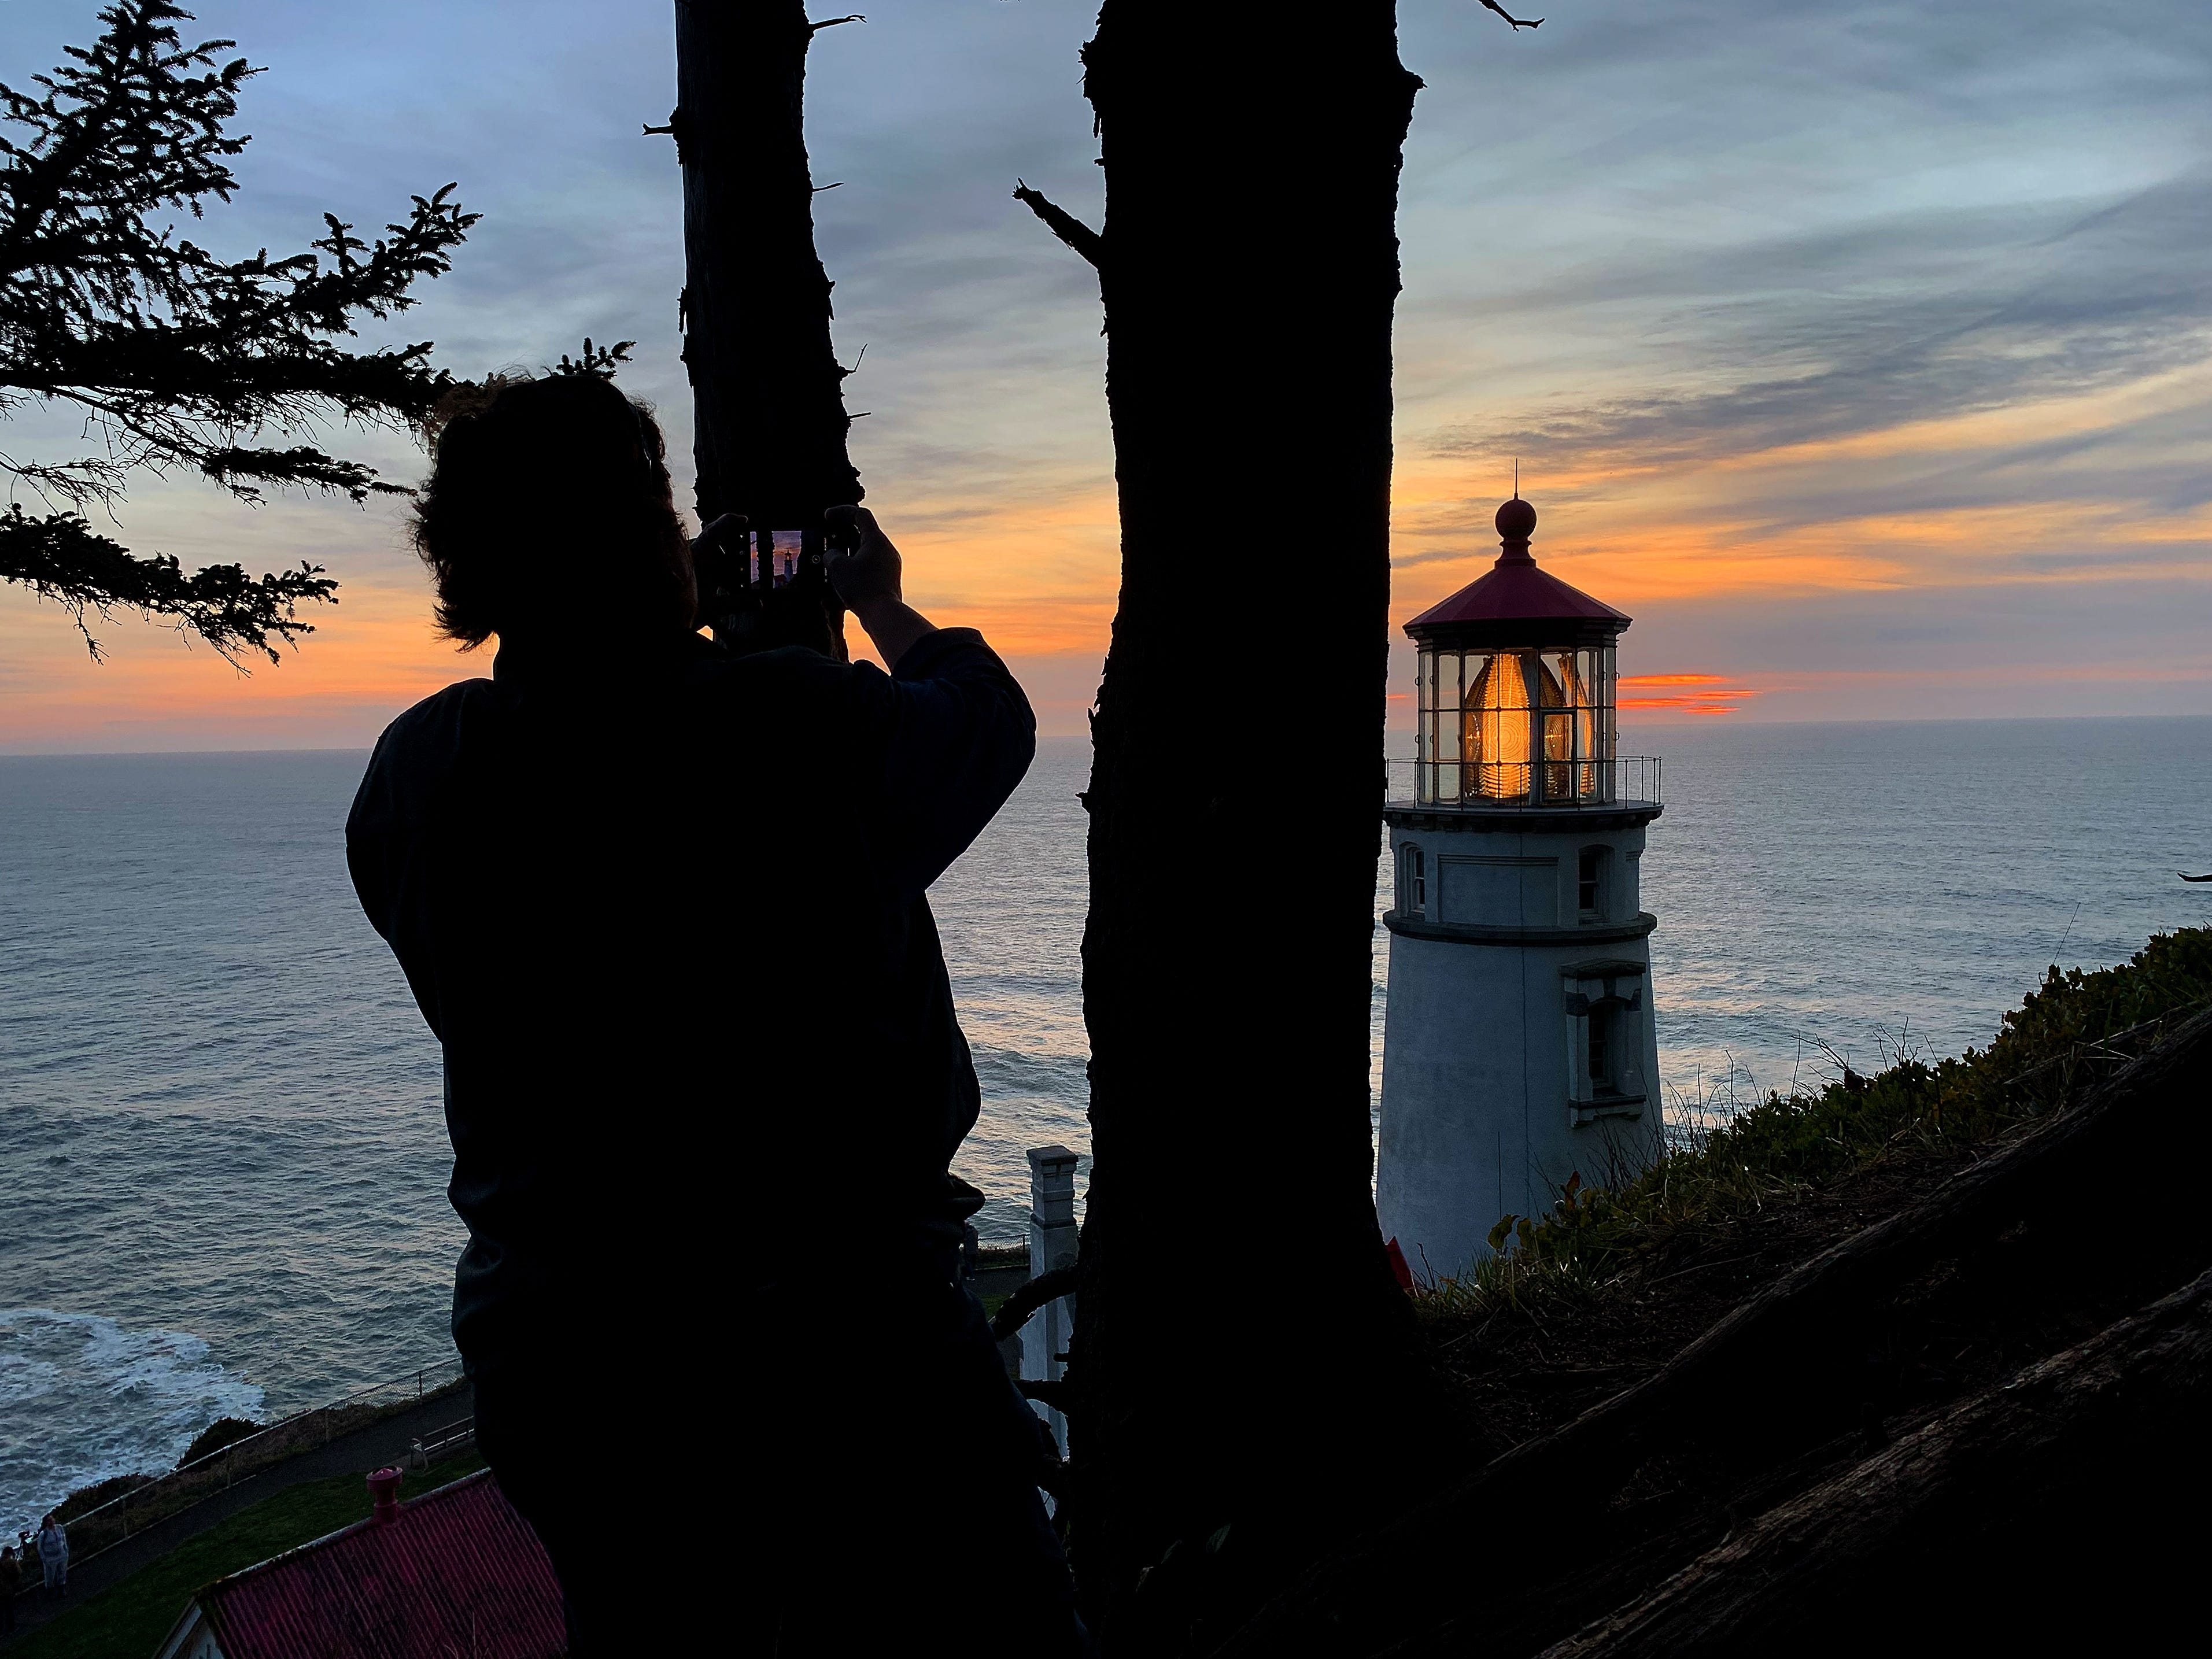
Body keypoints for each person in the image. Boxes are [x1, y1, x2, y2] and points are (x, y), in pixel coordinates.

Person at [346, 373, 1081, 1656]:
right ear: (648, 541)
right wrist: (879, 605)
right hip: (842, 1339)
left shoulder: (420, 772)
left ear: (472, 568)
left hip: (565, 1354)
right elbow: (986, 722)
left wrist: (696, 646)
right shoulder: (790, 722)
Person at [34, 1518, 64, 1601]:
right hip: (49, 1558)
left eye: (52, 1519)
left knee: (60, 1573)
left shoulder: (58, 1529)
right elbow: (40, 1548)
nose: (52, 1521)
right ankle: (51, 1593)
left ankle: (61, 1591)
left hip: (59, 1556)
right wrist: (44, 1558)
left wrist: (64, 1551)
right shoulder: (43, 1534)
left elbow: (62, 1540)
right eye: (49, 1520)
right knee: (50, 1576)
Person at [1, 1542, 21, 1634]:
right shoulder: (12, 1562)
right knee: (9, 1609)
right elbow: (19, 1572)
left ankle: (2, 1630)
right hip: (8, 1589)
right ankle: (11, 1628)